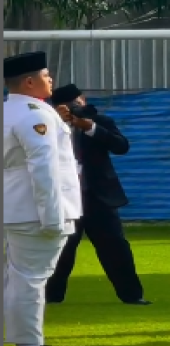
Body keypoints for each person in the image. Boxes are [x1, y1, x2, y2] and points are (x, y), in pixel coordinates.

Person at [4, 52, 82, 346]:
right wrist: (52, 216)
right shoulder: (37, 114)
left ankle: (26, 344)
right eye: (46, 75)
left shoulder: (8, 110)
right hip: (33, 209)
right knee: (30, 279)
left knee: (14, 278)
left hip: (12, 204)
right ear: (29, 81)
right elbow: (43, 169)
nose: (51, 80)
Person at [45, 83, 147, 306]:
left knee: (115, 247)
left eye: (79, 101)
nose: (77, 106)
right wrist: (58, 123)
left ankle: (132, 295)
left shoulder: (100, 122)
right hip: (65, 198)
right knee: (62, 250)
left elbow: (121, 146)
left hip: (99, 197)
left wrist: (89, 127)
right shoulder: (47, 126)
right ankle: (51, 296)